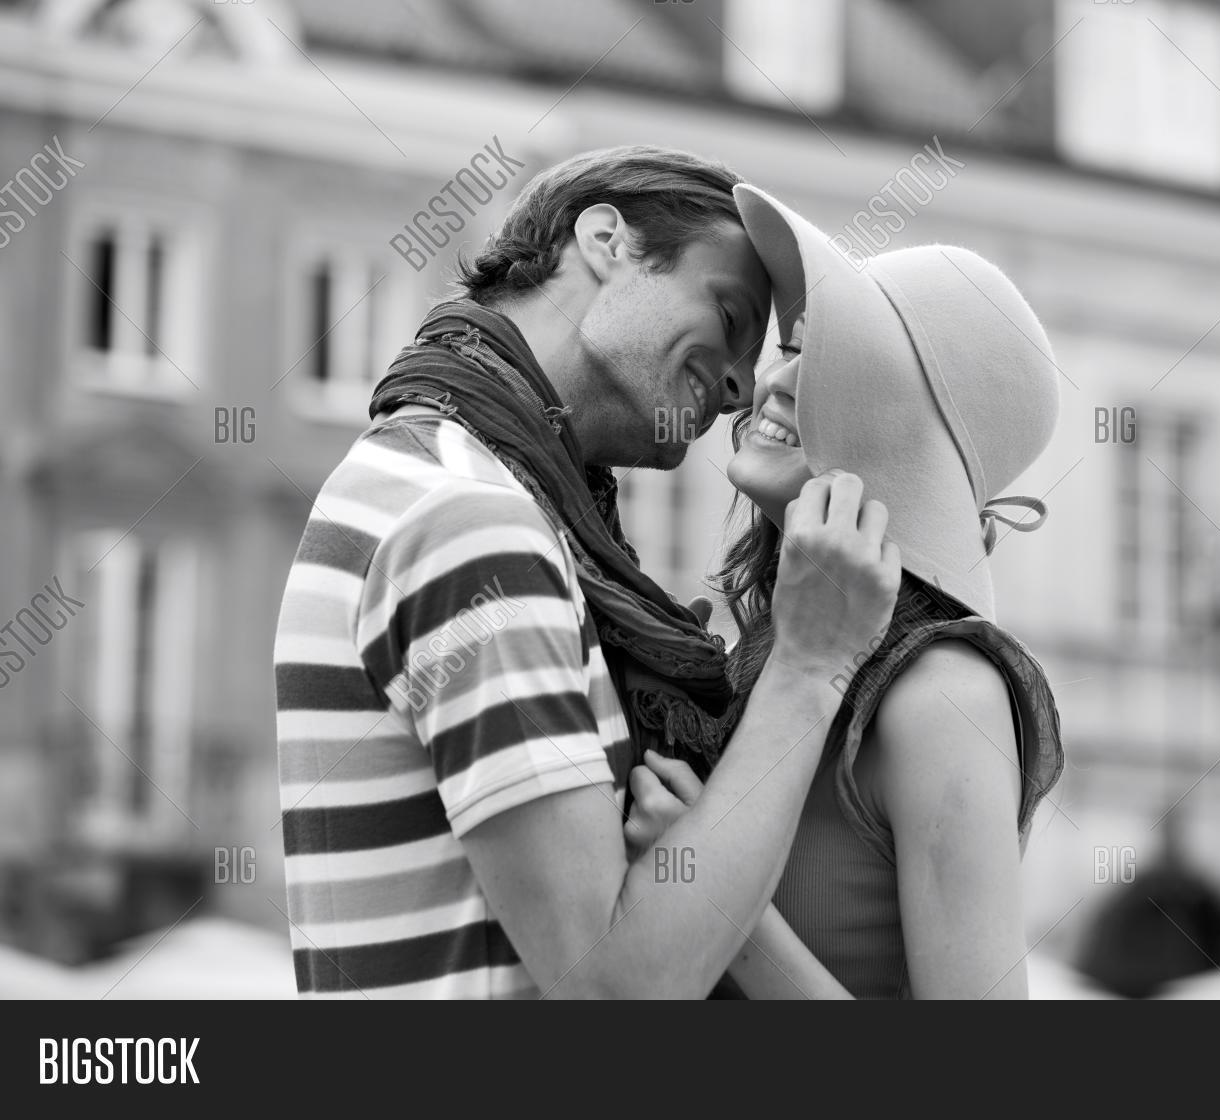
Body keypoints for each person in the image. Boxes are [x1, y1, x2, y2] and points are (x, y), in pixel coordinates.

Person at [273, 147, 900, 998]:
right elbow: (613, 990)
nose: (738, 388)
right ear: (606, 239)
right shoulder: (474, 526)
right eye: (729, 312)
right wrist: (807, 667)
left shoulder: (449, 481)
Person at [625, 184, 1066, 998]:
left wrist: (725, 910)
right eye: (788, 349)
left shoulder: (943, 695)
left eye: (830, 359)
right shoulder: (772, 646)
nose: (776, 382)